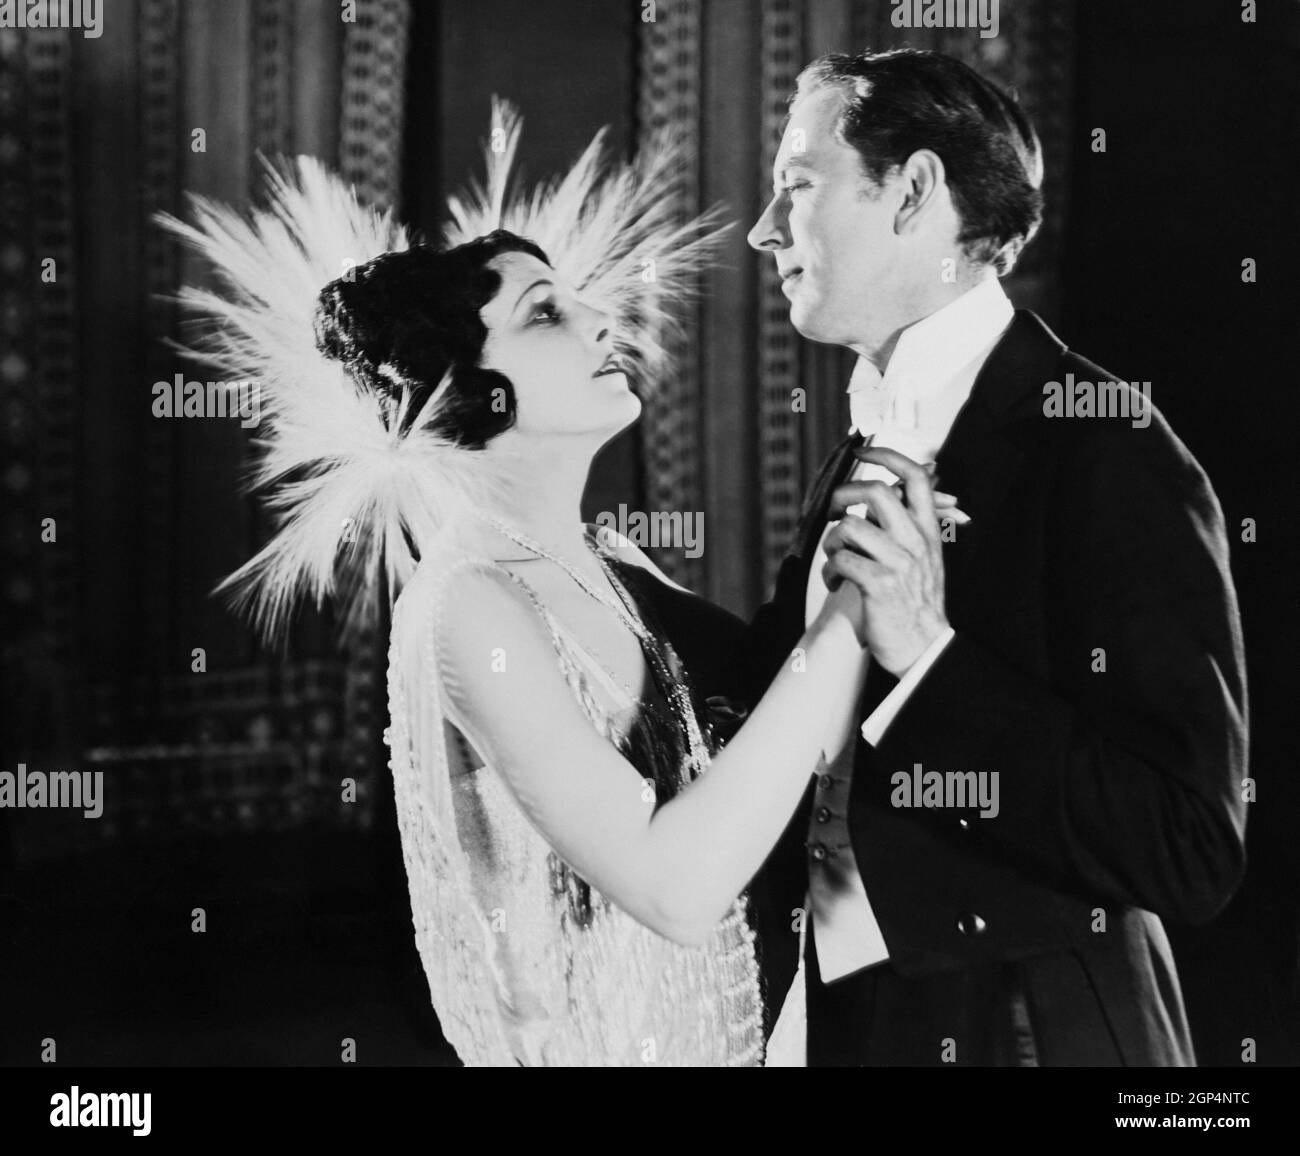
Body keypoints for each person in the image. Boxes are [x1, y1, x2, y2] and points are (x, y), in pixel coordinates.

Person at [159, 106, 958, 1065]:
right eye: (544, 311)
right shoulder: (470, 604)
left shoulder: (620, 567)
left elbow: (786, 759)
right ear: (459, 390)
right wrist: (842, 619)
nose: (599, 317)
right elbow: (676, 886)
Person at [744, 48, 1249, 1066]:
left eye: (795, 188)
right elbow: (780, 702)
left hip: (1034, 1034)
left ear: (914, 191)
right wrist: (607, 591)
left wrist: (930, 658)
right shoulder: (867, 435)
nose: (763, 230)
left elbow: (1189, 847)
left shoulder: (1106, 446)